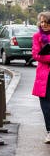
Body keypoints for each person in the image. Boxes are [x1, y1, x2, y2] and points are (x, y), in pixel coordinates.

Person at [32, 11, 50, 144]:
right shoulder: (37, 37)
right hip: (44, 76)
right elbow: (36, 55)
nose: (43, 24)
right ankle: (49, 131)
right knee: (45, 105)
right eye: (41, 22)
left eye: (46, 22)